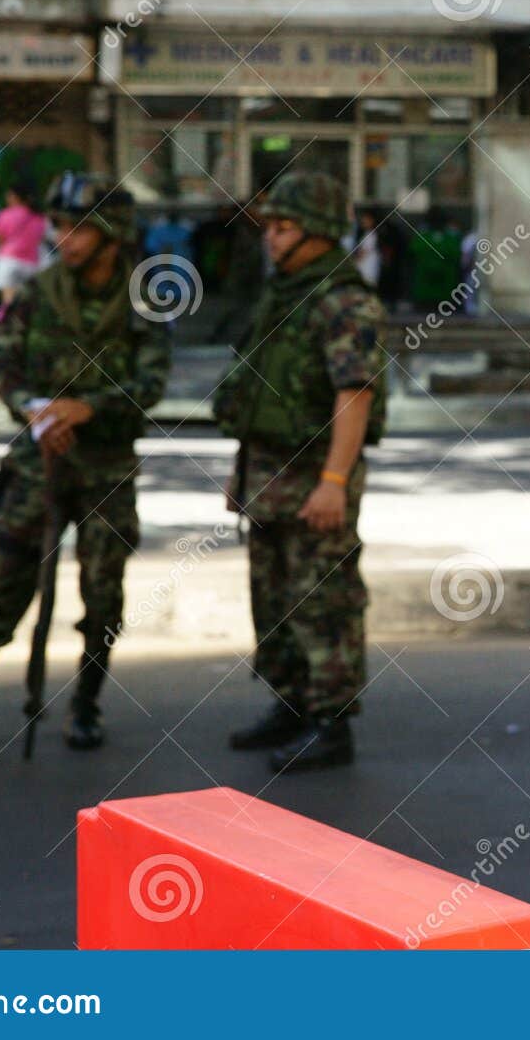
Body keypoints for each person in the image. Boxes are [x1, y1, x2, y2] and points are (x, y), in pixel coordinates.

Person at [0, 173, 171, 758]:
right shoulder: (35, 295)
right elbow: (2, 371)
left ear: (113, 235)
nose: (64, 237)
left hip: (106, 467)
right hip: (38, 465)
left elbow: (152, 383)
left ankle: (85, 705)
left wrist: (87, 410)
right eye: (59, 225)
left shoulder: (142, 302)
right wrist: (40, 415)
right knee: (1, 586)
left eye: (78, 227)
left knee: (102, 593)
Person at [213, 171, 388, 774]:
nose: (272, 236)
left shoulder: (344, 300)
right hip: (269, 474)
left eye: (285, 226)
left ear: (317, 231)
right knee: (274, 598)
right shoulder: (284, 293)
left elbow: (355, 393)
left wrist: (335, 482)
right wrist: (244, 478)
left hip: (316, 477)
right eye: (270, 225)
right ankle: (290, 704)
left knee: (324, 602)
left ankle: (331, 724)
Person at [0, 184, 47, 304]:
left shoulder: (5, 215)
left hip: (8, 262)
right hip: (31, 265)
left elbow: (0, 240)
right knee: (28, 303)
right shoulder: (39, 218)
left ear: (15, 197)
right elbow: (40, 239)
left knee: (8, 303)